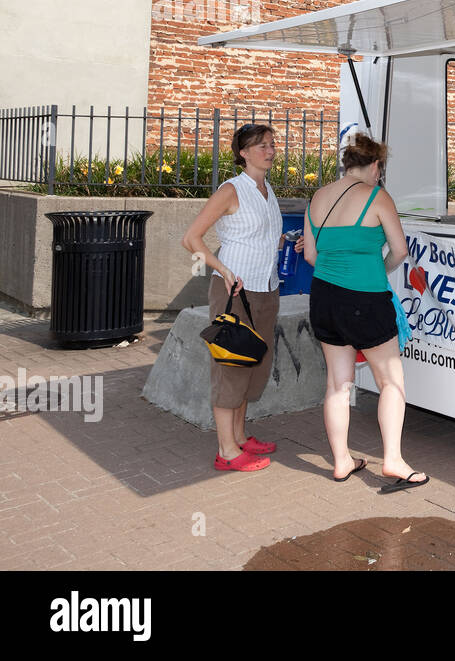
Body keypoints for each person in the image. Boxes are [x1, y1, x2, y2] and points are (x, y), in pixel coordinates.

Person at [302, 133, 428, 493]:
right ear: (375, 165)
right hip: (365, 299)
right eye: (380, 170)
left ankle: (342, 460)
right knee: (391, 381)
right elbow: (400, 250)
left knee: (338, 384)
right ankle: (393, 460)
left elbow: (311, 256)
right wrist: (378, 268)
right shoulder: (377, 196)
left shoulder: (319, 197)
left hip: (324, 297)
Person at [181, 123, 285, 473]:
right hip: (234, 293)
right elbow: (191, 238)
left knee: (252, 364)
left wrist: (288, 241)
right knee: (231, 367)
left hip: (266, 288)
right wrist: (222, 268)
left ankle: (240, 436)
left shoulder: (267, 190)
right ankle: (226, 451)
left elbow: (259, 237)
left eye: (272, 145)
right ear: (243, 152)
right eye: (262, 146)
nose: (270, 151)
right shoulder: (231, 189)